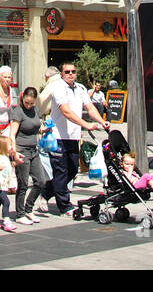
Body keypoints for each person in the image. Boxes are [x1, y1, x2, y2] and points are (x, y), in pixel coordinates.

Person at [44, 62, 108, 216]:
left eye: (73, 71)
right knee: (61, 171)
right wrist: (86, 124)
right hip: (58, 137)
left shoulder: (80, 88)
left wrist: (101, 121)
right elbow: (66, 111)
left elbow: (90, 107)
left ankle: (44, 193)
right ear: (61, 74)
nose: (70, 74)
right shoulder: (58, 88)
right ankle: (64, 205)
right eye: (67, 71)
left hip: (73, 137)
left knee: (72, 170)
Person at [7, 86, 49, 224]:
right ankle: (20, 214)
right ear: (22, 98)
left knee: (41, 181)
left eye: (31, 103)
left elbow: (36, 127)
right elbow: (12, 134)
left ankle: (28, 209)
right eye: (27, 103)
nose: (29, 105)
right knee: (23, 183)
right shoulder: (18, 112)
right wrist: (14, 152)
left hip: (34, 149)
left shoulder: (35, 110)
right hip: (22, 150)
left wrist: (44, 129)